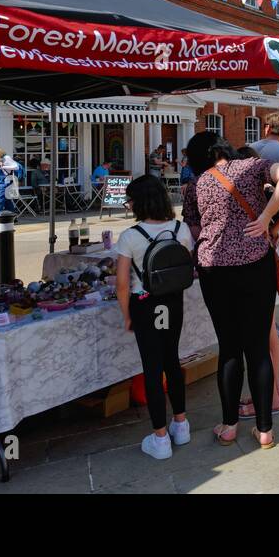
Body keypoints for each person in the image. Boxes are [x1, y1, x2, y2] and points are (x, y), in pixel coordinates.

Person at [183, 133, 279, 449]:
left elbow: (194, 233)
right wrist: (265, 220)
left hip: (213, 270)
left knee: (229, 347)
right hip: (253, 264)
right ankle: (264, 431)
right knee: (257, 346)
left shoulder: (195, 185)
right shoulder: (253, 167)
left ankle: (229, 426)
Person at [115, 174, 194, 460]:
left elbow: (122, 283)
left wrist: (126, 315)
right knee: (172, 361)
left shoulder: (130, 237)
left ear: (138, 203)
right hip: (173, 302)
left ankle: (160, 438)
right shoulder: (180, 229)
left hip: (145, 304)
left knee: (152, 367)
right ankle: (181, 424)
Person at [249, 111, 279, 350]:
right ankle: (271, 329)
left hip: (250, 217)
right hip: (270, 218)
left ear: (267, 128)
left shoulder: (250, 148)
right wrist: (277, 225)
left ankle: (272, 325)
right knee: (273, 274)